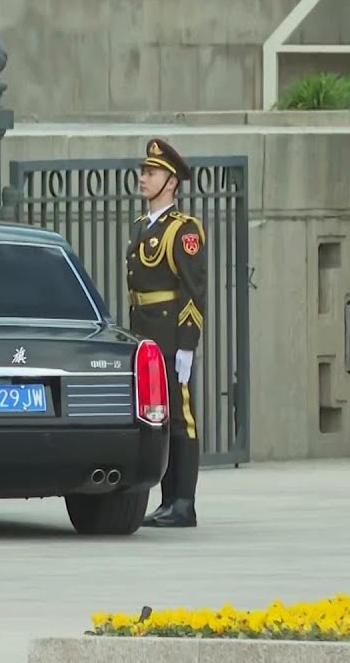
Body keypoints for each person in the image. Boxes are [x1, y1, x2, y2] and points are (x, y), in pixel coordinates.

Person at [126, 138, 207, 529]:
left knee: (180, 417)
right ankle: (166, 500)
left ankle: (184, 502)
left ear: (171, 182)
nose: (144, 178)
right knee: (157, 416)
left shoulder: (184, 230)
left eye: (152, 173)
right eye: (144, 171)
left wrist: (187, 345)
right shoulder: (143, 226)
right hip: (145, 331)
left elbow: (194, 292)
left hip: (171, 334)